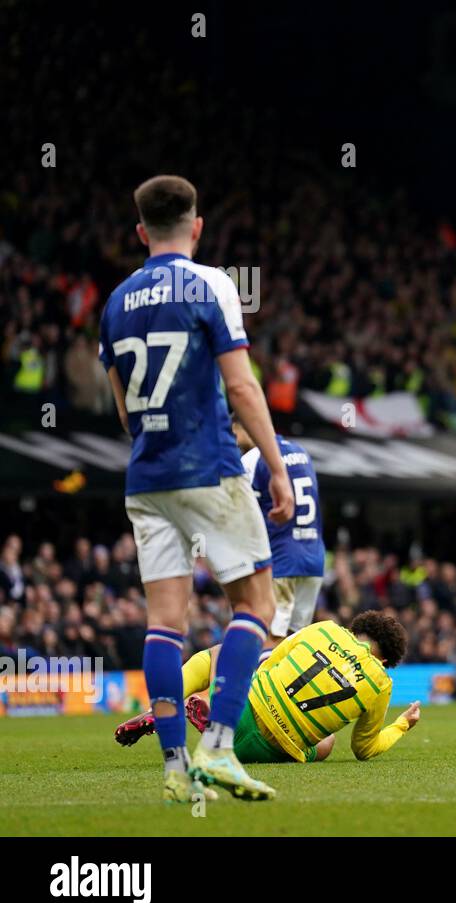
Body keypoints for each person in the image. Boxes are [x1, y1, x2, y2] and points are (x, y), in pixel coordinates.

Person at [98, 174, 292, 803]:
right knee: (257, 606)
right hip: (207, 465)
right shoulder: (210, 286)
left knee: (164, 625)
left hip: (146, 473)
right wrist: (276, 463)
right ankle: (220, 751)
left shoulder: (116, 302)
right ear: (198, 226)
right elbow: (240, 386)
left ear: (139, 232)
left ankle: (177, 768)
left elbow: (124, 412)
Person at [115, 611, 420, 764]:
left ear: (356, 630)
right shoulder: (381, 683)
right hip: (268, 751)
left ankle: (182, 704)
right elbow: (364, 749)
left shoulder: (325, 629)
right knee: (327, 742)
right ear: (386, 660)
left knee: (223, 654)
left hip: (247, 708)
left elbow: (270, 662)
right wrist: (402, 725)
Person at [231, 417, 325, 651]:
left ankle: (259, 688)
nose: (232, 439)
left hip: (281, 560)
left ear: (246, 427)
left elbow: (240, 513)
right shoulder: (301, 452)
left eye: (233, 431)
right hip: (313, 559)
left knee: (268, 637)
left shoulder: (253, 458)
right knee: (294, 640)